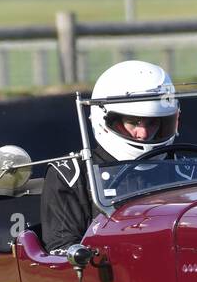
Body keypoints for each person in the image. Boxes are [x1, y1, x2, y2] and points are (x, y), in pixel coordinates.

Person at [41, 60, 180, 253]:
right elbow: (63, 250)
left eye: (152, 123)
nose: (143, 134)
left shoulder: (183, 171)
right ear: (105, 119)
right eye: (133, 122)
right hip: (106, 269)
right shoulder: (72, 176)